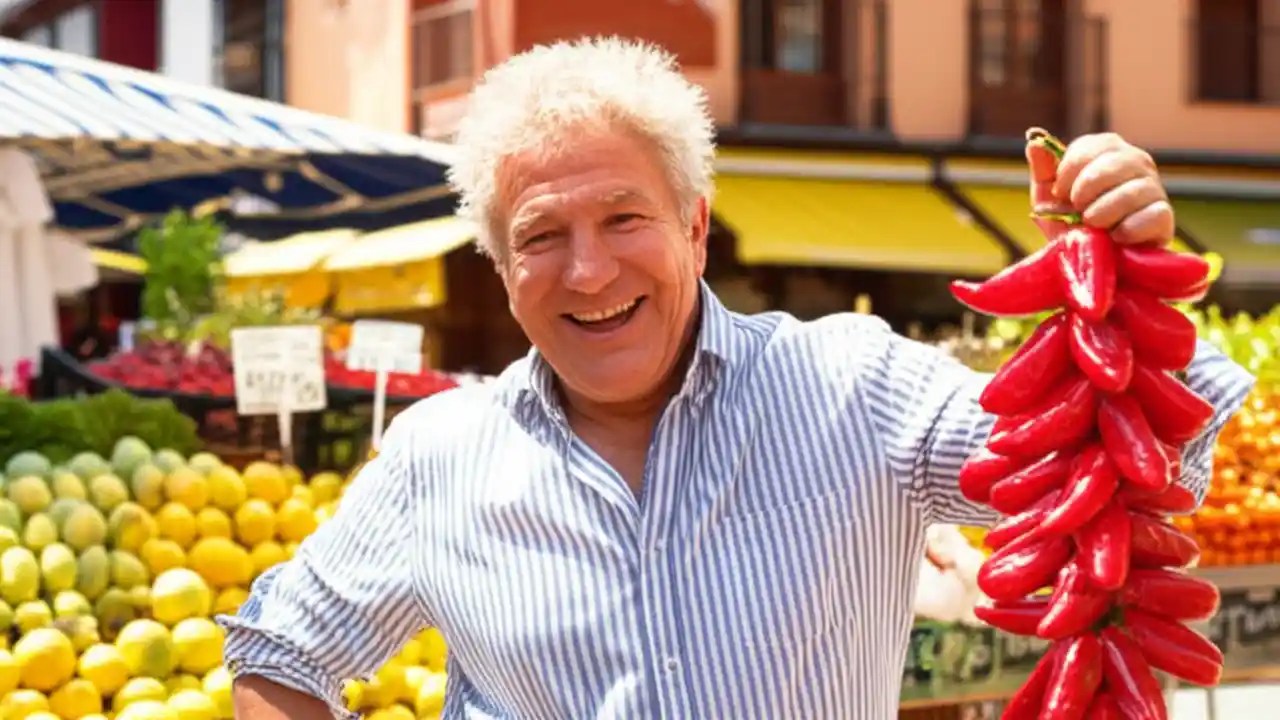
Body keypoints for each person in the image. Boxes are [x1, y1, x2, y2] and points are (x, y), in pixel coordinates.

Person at [223, 37, 1256, 719]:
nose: (587, 271)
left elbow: (1139, 469)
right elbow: (277, 652)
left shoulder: (855, 390)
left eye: (624, 218)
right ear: (499, 272)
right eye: (541, 236)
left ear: (694, 227)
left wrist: (1120, 274)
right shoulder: (437, 456)